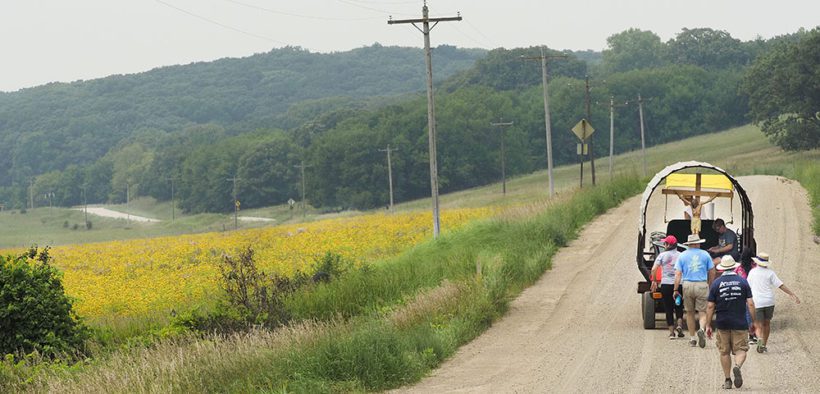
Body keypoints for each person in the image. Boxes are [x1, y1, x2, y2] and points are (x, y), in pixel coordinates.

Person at [706, 255, 756, 389]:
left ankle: (727, 380)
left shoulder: (716, 284)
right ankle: (737, 366)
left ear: (721, 269)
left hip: (722, 323)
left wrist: (708, 325)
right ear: (735, 267)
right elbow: (750, 304)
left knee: (724, 352)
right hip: (740, 322)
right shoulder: (743, 282)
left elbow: (710, 306)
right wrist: (753, 322)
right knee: (741, 350)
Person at [747, 252, 801, 353]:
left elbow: (747, 286)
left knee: (757, 325)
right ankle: (764, 344)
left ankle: (759, 338)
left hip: (757, 302)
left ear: (757, 262)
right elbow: (780, 285)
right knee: (766, 324)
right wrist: (791, 294)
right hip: (769, 301)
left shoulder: (752, 272)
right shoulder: (770, 273)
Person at [673, 234, 716, 348]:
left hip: (687, 284)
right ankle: (701, 329)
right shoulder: (705, 254)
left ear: (689, 244)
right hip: (701, 284)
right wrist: (710, 284)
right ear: (697, 243)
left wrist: (676, 289)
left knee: (689, 312)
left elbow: (678, 274)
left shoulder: (682, 256)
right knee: (702, 312)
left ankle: (692, 339)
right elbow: (712, 271)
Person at [650, 235, 685, 339]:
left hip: (666, 285)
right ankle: (679, 325)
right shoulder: (681, 255)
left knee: (668, 308)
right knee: (679, 306)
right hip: (678, 284)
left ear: (668, 245)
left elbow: (653, 269)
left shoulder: (662, 255)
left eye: (665, 243)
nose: (664, 245)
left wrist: (655, 280)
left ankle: (671, 333)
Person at [735, 249, 758, 344]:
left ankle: (751, 334)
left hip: (743, 294)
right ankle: (756, 333)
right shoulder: (755, 267)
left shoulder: (739, 268)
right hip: (755, 293)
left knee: (747, 314)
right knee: (755, 313)